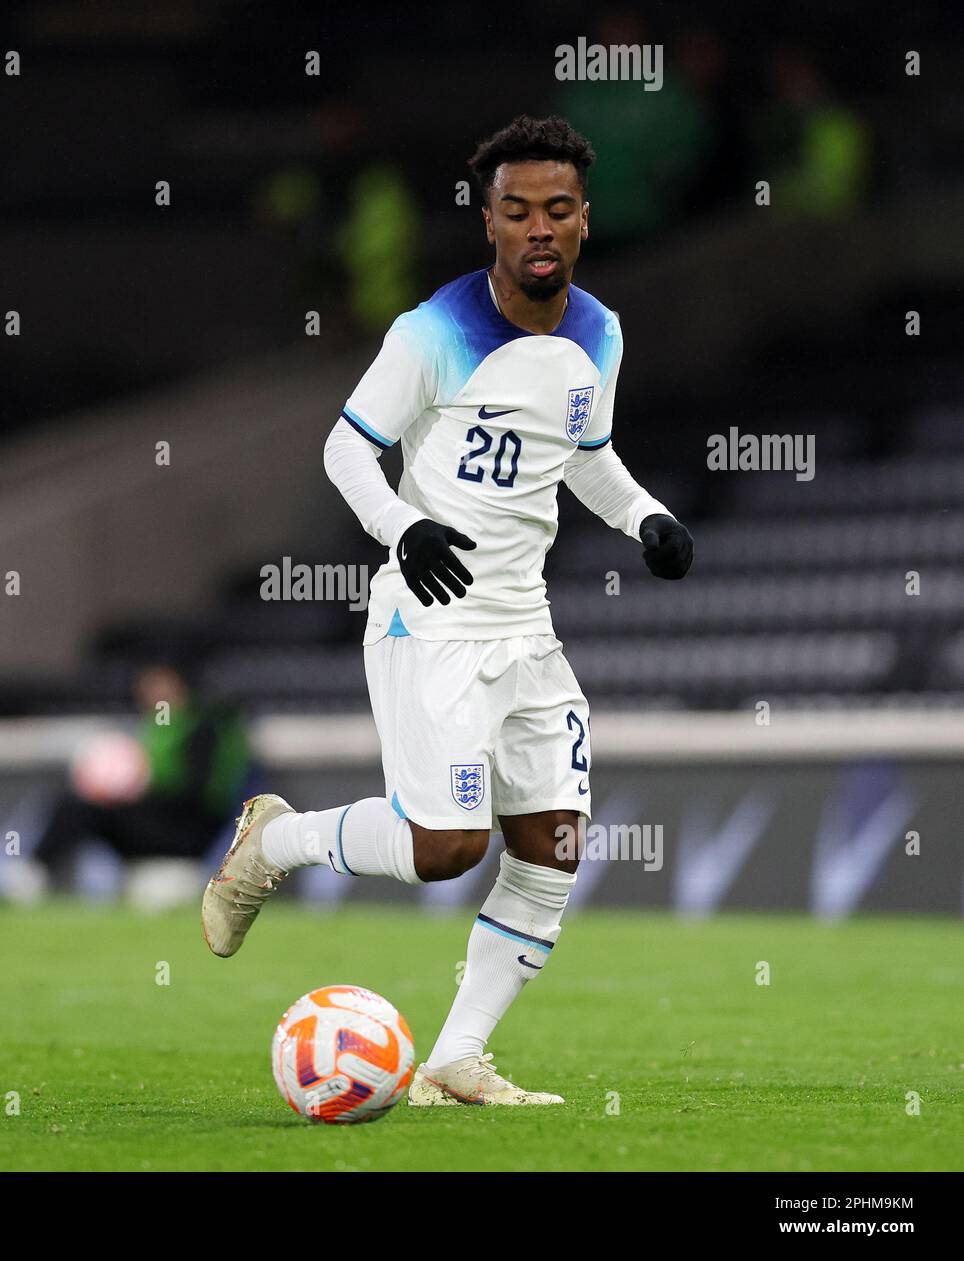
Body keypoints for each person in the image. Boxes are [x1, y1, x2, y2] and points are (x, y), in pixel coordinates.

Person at [202, 115, 693, 1105]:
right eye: (518, 211)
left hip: (526, 626)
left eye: (557, 209)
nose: (539, 228)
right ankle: (275, 840)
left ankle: (456, 1057)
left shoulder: (600, 331)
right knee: (446, 850)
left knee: (551, 845)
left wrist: (646, 517)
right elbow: (348, 449)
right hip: (426, 616)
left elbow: (585, 458)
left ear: (584, 220)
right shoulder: (431, 333)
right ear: (489, 223)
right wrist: (401, 527)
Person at [14, 652, 250, 910]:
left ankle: (32, 872)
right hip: (157, 820)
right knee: (78, 807)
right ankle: (34, 873)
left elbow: (198, 794)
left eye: (158, 683)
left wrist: (135, 792)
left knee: (82, 810)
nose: (149, 692)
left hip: (185, 830)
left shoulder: (204, 728)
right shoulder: (157, 727)